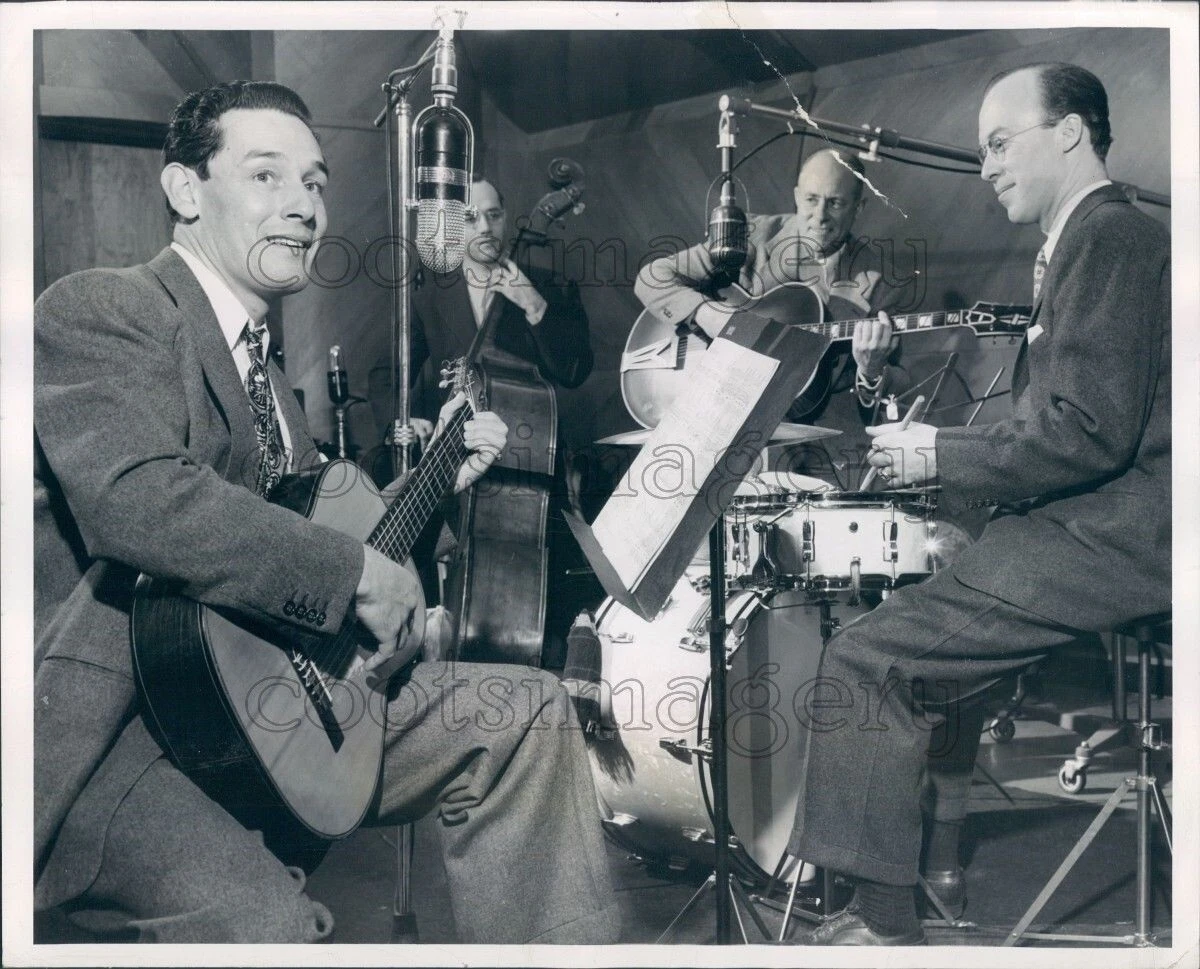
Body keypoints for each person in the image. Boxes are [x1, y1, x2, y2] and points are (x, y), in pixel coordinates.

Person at [33, 80, 620, 944]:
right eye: (266, 176)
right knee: (275, 925)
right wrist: (356, 574)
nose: (304, 207)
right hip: (125, 732)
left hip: (275, 698)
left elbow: (313, 531)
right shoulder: (104, 307)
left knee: (528, 712)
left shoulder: (264, 367)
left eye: (313, 183)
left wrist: (430, 486)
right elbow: (141, 499)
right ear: (185, 191)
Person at [787, 62, 1170, 945]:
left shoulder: (1105, 238)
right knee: (911, 623)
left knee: (864, 659)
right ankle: (896, 879)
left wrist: (931, 450)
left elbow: (1082, 432)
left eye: (1000, 143)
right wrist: (951, 470)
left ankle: (877, 926)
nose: (987, 166)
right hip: (1109, 519)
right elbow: (1072, 419)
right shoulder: (1099, 237)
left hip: (1124, 536)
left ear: (1069, 132)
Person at [373, 176, 595, 668]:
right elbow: (389, 374)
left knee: (552, 611)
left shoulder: (548, 285)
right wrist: (407, 416)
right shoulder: (428, 290)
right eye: (471, 217)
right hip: (453, 467)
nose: (485, 226)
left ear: (508, 215)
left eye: (493, 214)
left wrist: (532, 304)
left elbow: (576, 369)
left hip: (527, 470)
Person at [634, 147, 909, 485]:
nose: (819, 215)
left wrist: (871, 371)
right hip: (724, 423)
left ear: (858, 207)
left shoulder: (880, 282)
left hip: (818, 444)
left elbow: (895, 386)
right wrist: (709, 315)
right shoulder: (754, 236)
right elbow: (653, 277)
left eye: (835, 203)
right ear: (796, 196)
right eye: (811, 199)